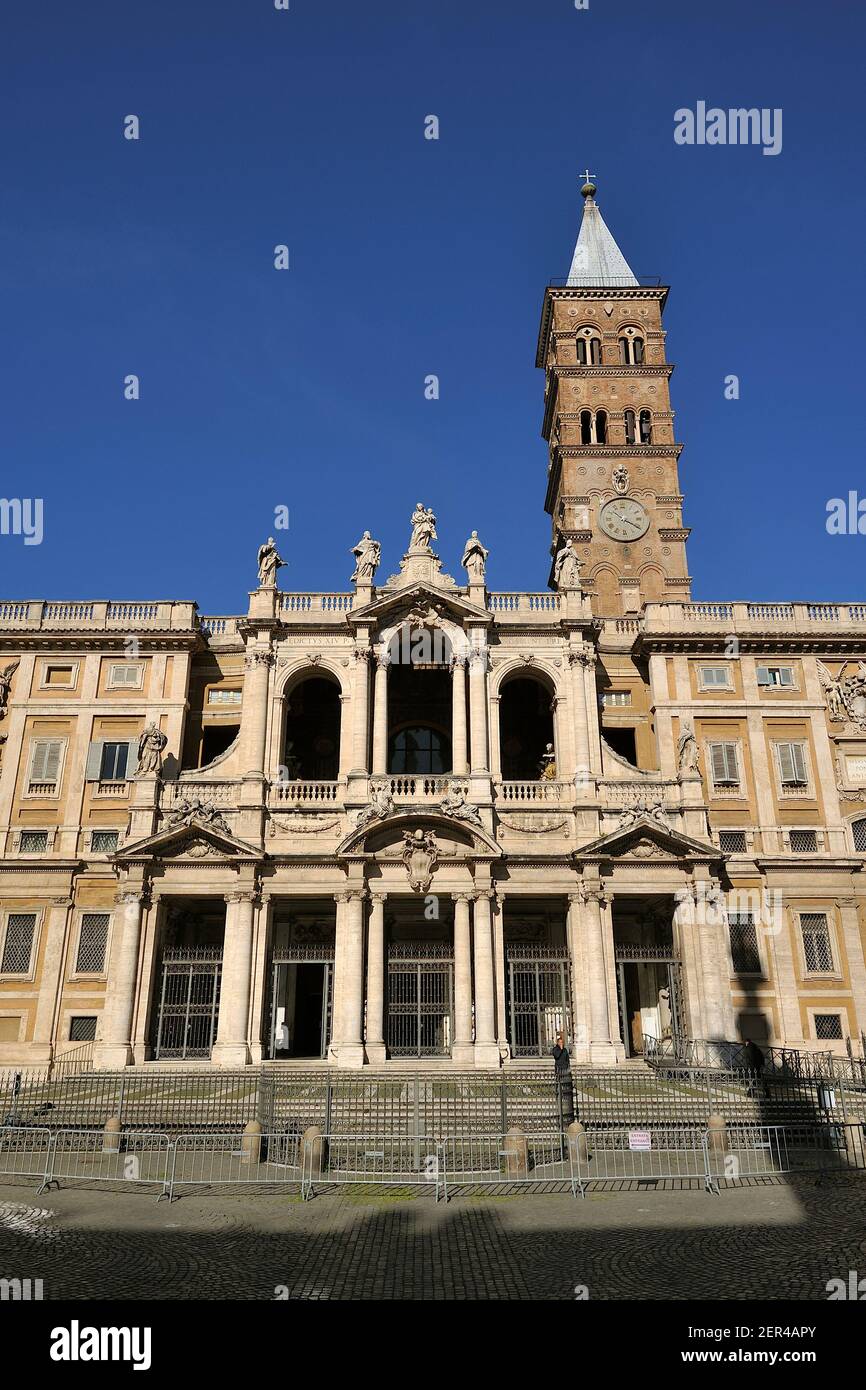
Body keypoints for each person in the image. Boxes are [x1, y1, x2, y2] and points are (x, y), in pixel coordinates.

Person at [553, 1030, 575, 1127]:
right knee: (559, 1082)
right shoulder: (556, 1050)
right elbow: (556, 1056)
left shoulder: (565, 1050)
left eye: (562, 1042)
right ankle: (559, 1093)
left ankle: (565, 1093)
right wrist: (560, 1049)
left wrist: (569, 1068)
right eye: (560, 1042)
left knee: (565, 1082)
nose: (561, 1044)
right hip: (559, 1068)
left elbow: (567, 1059)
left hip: (565, 1068)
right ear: (557, 1043)